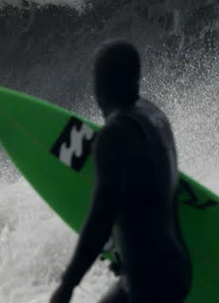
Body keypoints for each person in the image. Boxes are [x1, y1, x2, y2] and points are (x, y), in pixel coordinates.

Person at [50, 41, 192, 303]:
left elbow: (101, 219)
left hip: (149, 283)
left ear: (101, 83)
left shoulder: (114, 136)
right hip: (171, 268)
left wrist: (68, 285)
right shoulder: (153, 116)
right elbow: (152, 192)